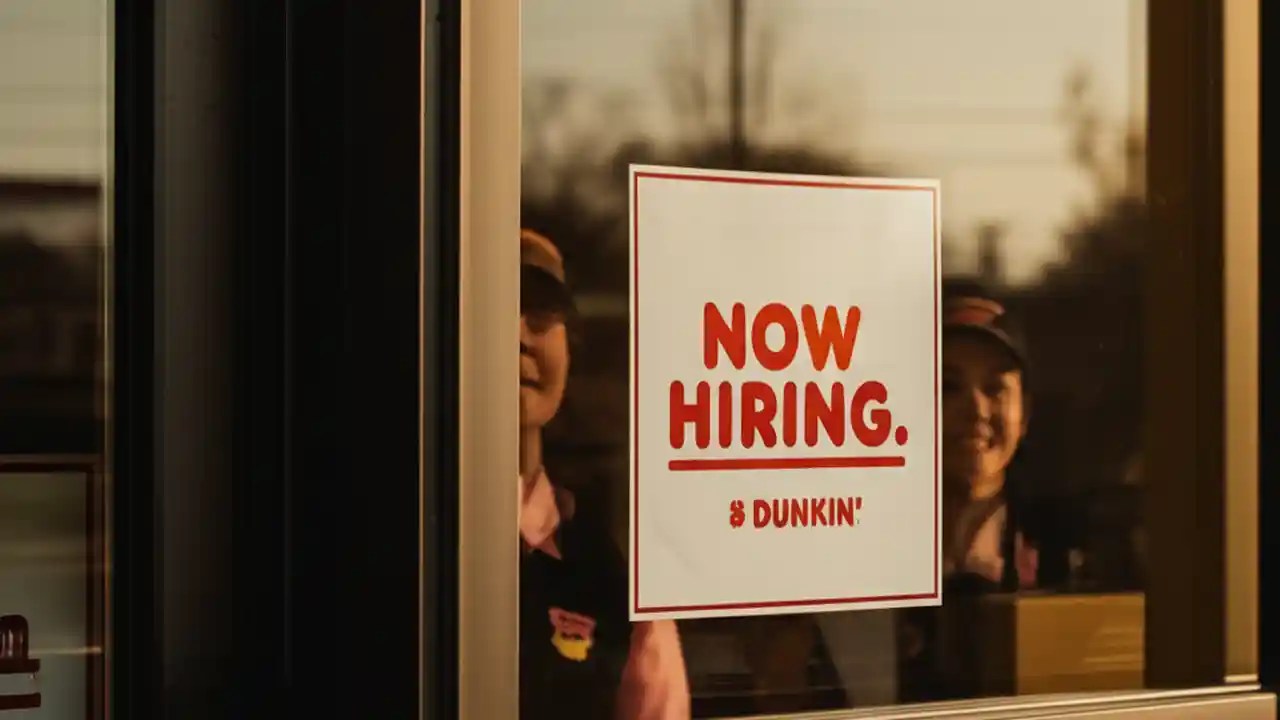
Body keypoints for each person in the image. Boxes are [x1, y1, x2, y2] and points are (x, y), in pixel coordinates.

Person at [518, 228, 691, 719]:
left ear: (571, 350)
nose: (517, 333)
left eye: (541, 311)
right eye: (487, 303)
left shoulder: (617, 573)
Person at [898, 280, 1039, 701]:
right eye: (948, 386)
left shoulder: (1068, 544)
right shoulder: (866, 542)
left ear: (1025, 414)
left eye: (995, 389)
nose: (976, 410)